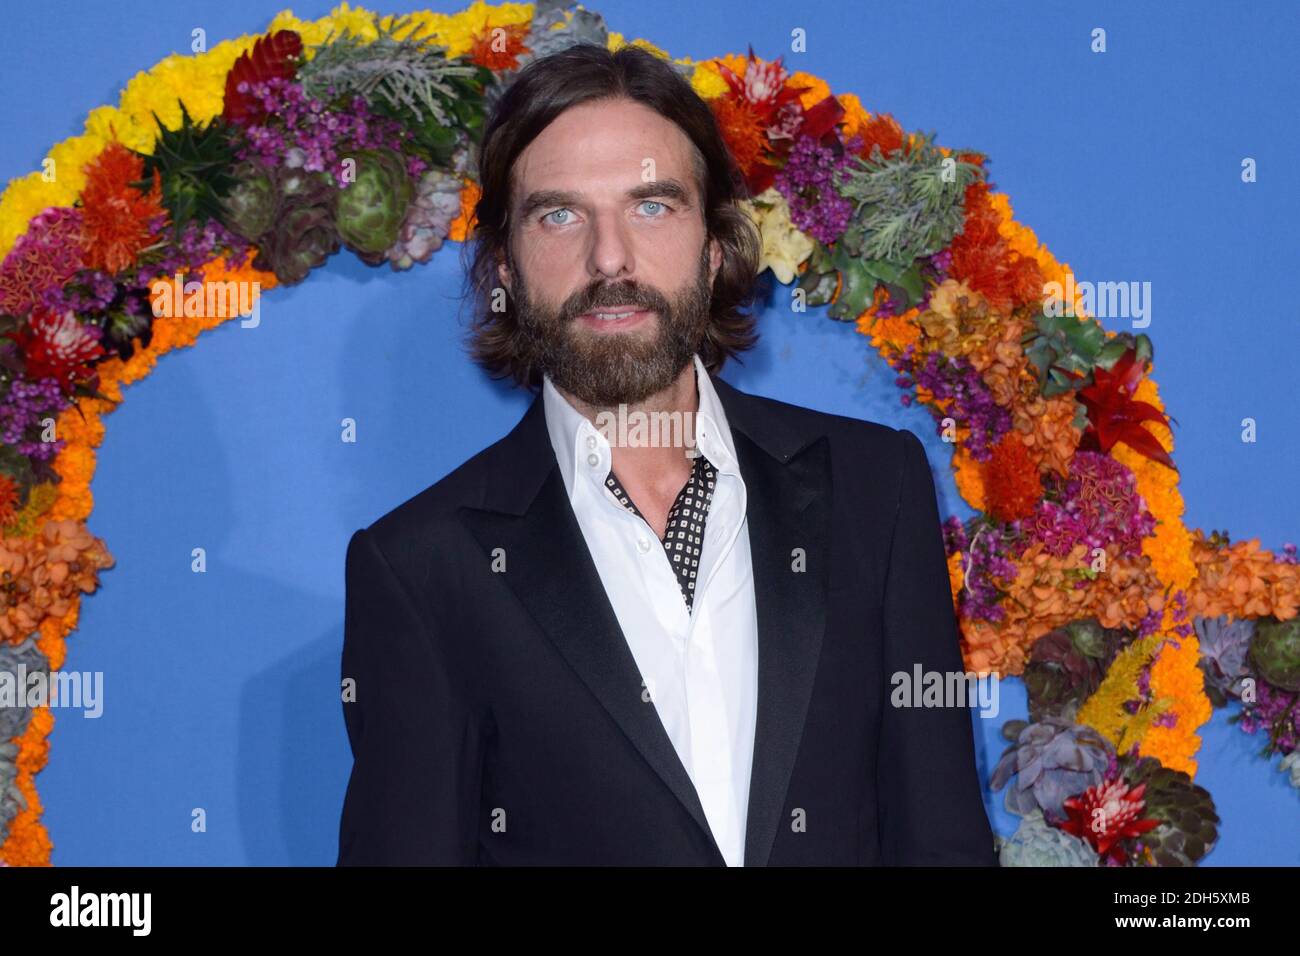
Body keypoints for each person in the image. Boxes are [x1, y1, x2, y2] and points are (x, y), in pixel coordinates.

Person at [337, 42, 997, 866]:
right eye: (559, 214)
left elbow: (941, 840)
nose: (608, 258)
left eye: (652, 206)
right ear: (505, 262)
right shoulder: (423, 566)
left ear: (716, 245)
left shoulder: (875, 487)